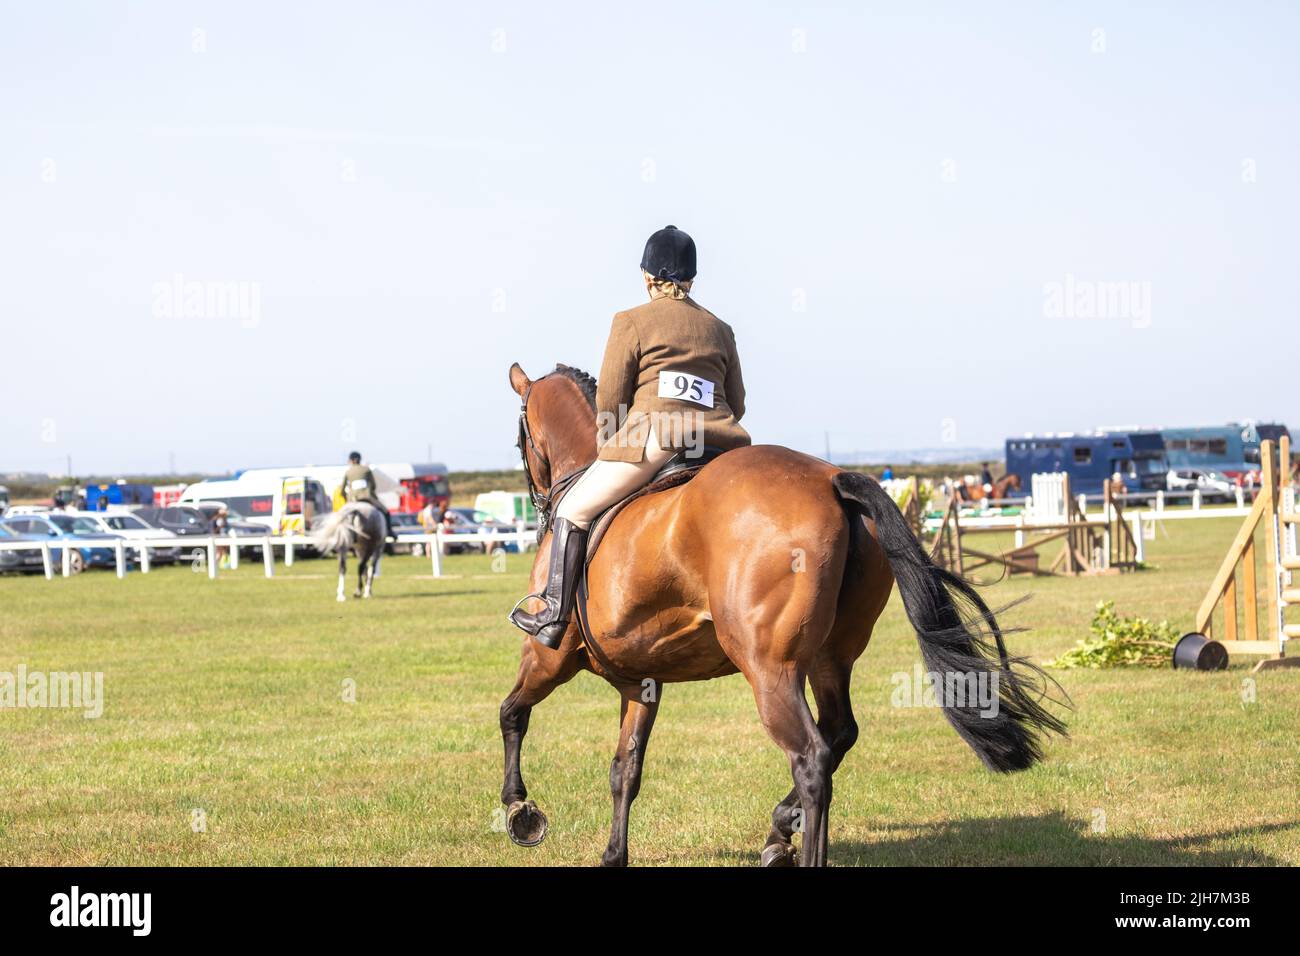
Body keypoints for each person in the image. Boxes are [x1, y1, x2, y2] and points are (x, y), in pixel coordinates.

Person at [510, 225, 751, 648]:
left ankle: (552, 614)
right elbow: (737, 401)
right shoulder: (720, 328)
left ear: (647, 276)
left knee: (572, 508)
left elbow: (610, 402)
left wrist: (612, 441)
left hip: (657, 442)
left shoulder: (631, 321)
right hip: (721, 445)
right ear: (691, 278)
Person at [342, 451, 396, 542]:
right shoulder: (366, 470)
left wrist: (346, 499)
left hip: (353, 500)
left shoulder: (348, 472)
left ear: (352, 460)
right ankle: (389, 531)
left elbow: (342, 489)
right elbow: (373, 485)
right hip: (367, 498)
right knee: (386, 512)